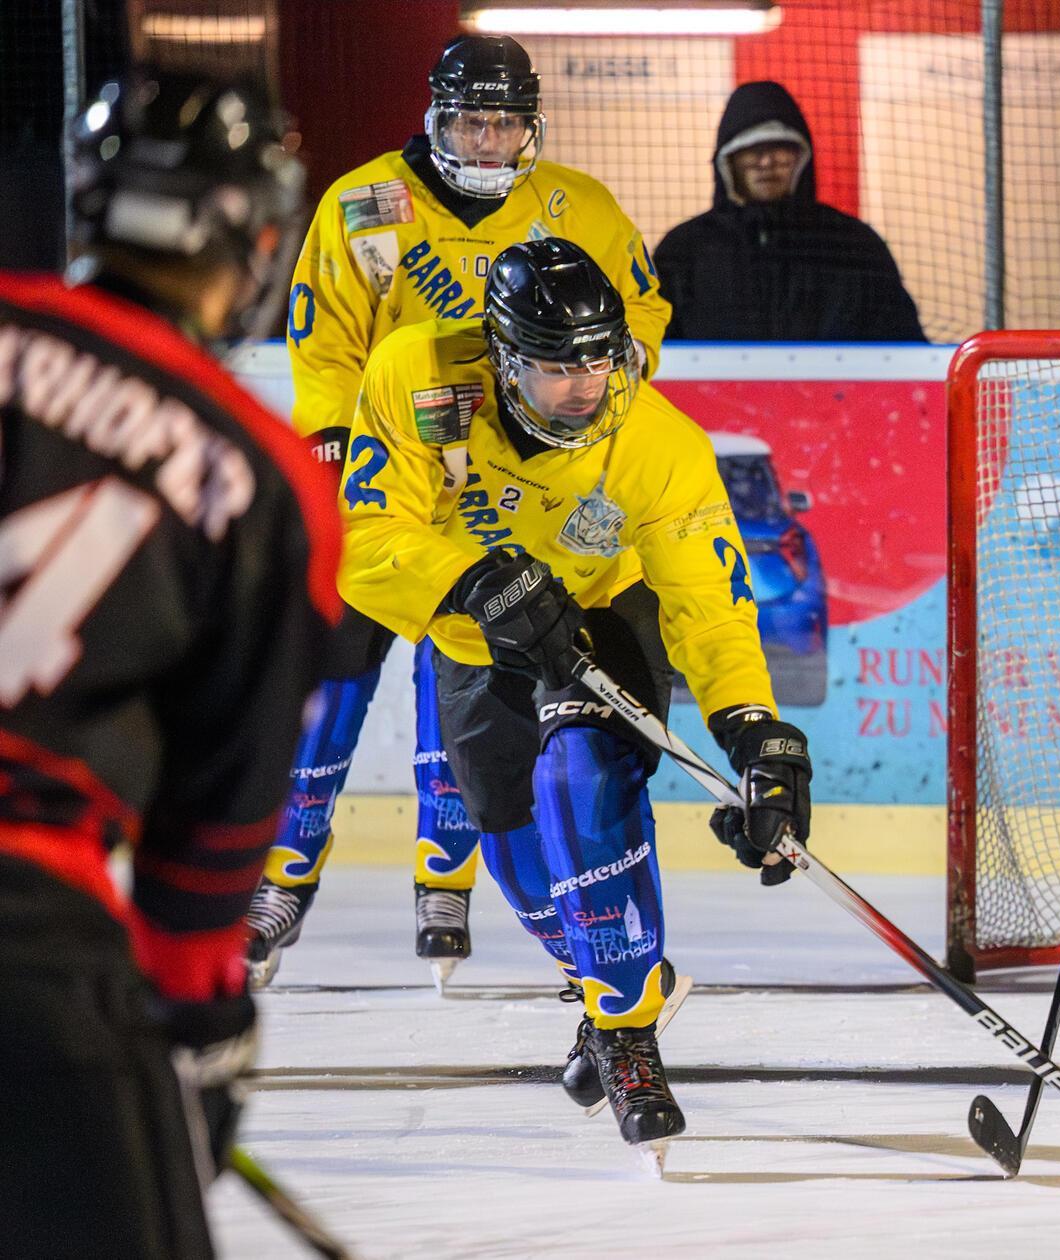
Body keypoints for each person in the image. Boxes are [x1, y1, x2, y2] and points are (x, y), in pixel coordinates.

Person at [335, 236, 809, 1156]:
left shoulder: (658, 443)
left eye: (601, 359)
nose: (587, 387)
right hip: (476, 626)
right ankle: (619, 977)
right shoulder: (418, 375)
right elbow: (364, 536)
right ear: (504, 359)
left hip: (602, 609)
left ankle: (625, 1036)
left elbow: (709, 608)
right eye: (558, 368)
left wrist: (755, 731)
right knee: (509, 842)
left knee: (583, 788)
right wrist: (471, 581)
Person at [251, 32, 672, 991]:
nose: (487, 143)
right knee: (335, 680)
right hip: (392, 485)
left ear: (531, 126)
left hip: (507, 494)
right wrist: (343, 449)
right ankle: (284, 878)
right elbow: (323, 348)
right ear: (436, 119)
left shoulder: (580, 207)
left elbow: (639, 314)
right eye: (469, 122)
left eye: (505, 123)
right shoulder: (364, 204)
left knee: (470, 678)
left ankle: (445, 879)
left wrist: (616, 373)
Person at [0, 73, 338, 1257]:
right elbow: (217, 821)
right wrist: (199, 1019)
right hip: (30, 942)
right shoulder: (260, 478)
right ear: (250, 240)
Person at [653, 80, 923, 341]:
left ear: (800, 157)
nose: (767, 162)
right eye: (752, 150)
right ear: (729, 161)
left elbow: (901, 343)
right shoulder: (683, 251)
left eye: (780, 149)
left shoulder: (853, 244)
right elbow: (654, 347)